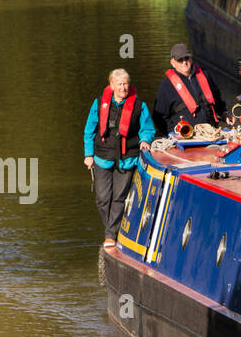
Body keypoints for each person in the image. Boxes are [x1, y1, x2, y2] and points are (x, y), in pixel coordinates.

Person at [84, 68, 154, 248]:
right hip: (102, 157)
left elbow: (147, 128)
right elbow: (89, 130)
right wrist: (88, 154)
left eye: (126, 84)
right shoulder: (99, 103)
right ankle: (113, 229)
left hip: (127, 157)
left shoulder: (139, 105)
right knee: (102, 198)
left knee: (119, 197)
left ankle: (110, 235)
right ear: (112, 85)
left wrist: (145, 140)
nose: (123, 88)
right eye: (120, 84)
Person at [153, 43, 220, 135]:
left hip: (210, 132)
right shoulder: (166, 85)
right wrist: (173, 132)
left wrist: (224, 112)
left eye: (186, 58)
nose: (184, 62)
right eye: (180, 60)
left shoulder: (205, 75)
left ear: (191, 59)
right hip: (184, 136)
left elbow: (217, 98)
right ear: (173, 63)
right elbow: (159, 117)